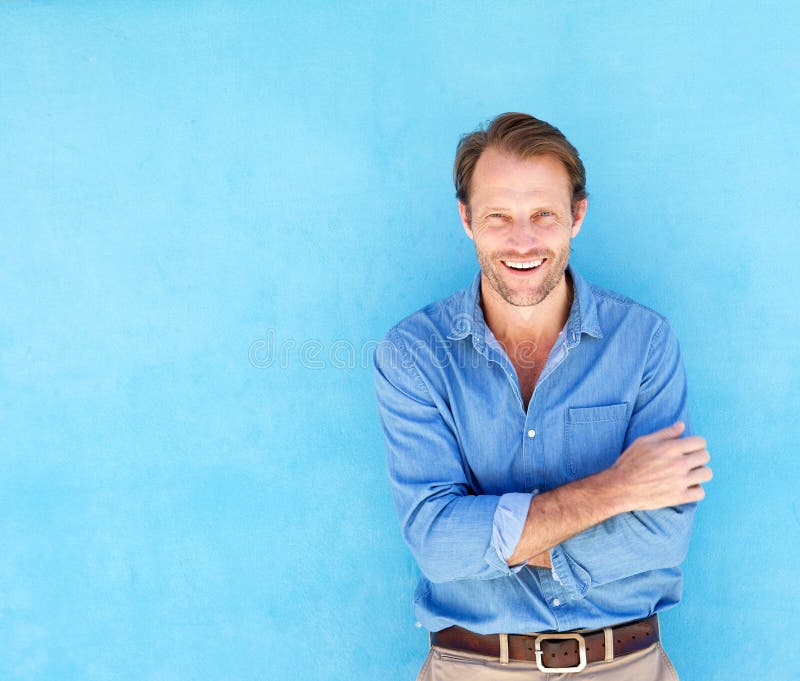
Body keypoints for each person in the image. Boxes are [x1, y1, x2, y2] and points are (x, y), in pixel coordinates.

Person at [373, 113, 712, 680]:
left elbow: (661, 536)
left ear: (576, 215)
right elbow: (436, 542)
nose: (522, 240)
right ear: (467, 220)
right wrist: (616, 489)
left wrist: (495, 536)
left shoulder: (645, 342)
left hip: (625, 666)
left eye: (543, 215)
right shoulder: (413, 354)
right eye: (499, 216)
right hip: (471, 668)